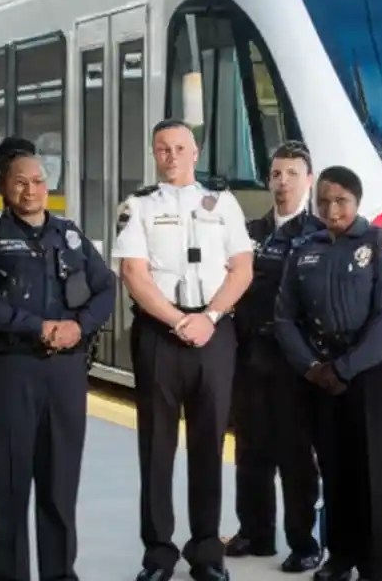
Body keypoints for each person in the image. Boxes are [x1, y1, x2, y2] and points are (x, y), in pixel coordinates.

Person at [0, 136, 117, 581]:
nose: (31, 190)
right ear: (2, 188)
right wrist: (38, 326)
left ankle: (60, 574)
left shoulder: (71, 236)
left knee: (60, 484)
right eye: (20, 182)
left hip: (65, 374)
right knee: (7, 485)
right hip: (12, 370)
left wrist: (79, 327)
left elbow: (106, 288)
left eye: (39, 181)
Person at [112, 119, 254, 581]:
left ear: (195, 152)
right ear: (154, 155)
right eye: (162, 149)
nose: (171, 156)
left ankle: (207, 552)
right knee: (156, 447)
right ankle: (158, 555)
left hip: (214, 332)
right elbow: (134, 273)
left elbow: (242, 269)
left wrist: (208, 318)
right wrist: (177, 320)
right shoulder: (137, 205)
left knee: (208, 444)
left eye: (179, 147)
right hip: (160, 334)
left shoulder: (224, 203)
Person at [274, 166, 382, 581]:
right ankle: (341, 556)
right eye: (325, 202)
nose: (333, 209)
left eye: (342, 201)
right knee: (334, 469)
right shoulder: (305, 249)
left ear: (357, 202)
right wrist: (312, 367)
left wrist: (346, 367)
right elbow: (285, 317)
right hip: (322, 375)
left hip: (374, 374)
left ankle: (375, 566)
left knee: (374, 472)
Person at [224, 141, 324, 573]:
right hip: (250, 357)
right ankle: (256, 532)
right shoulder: (249, 232)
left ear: (309, 180)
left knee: (296, 454)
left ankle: (303, 542)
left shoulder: (320, 235)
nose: (283, 182)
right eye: (276, 174)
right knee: (250, 448)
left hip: (294, 361)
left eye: (292, 174)